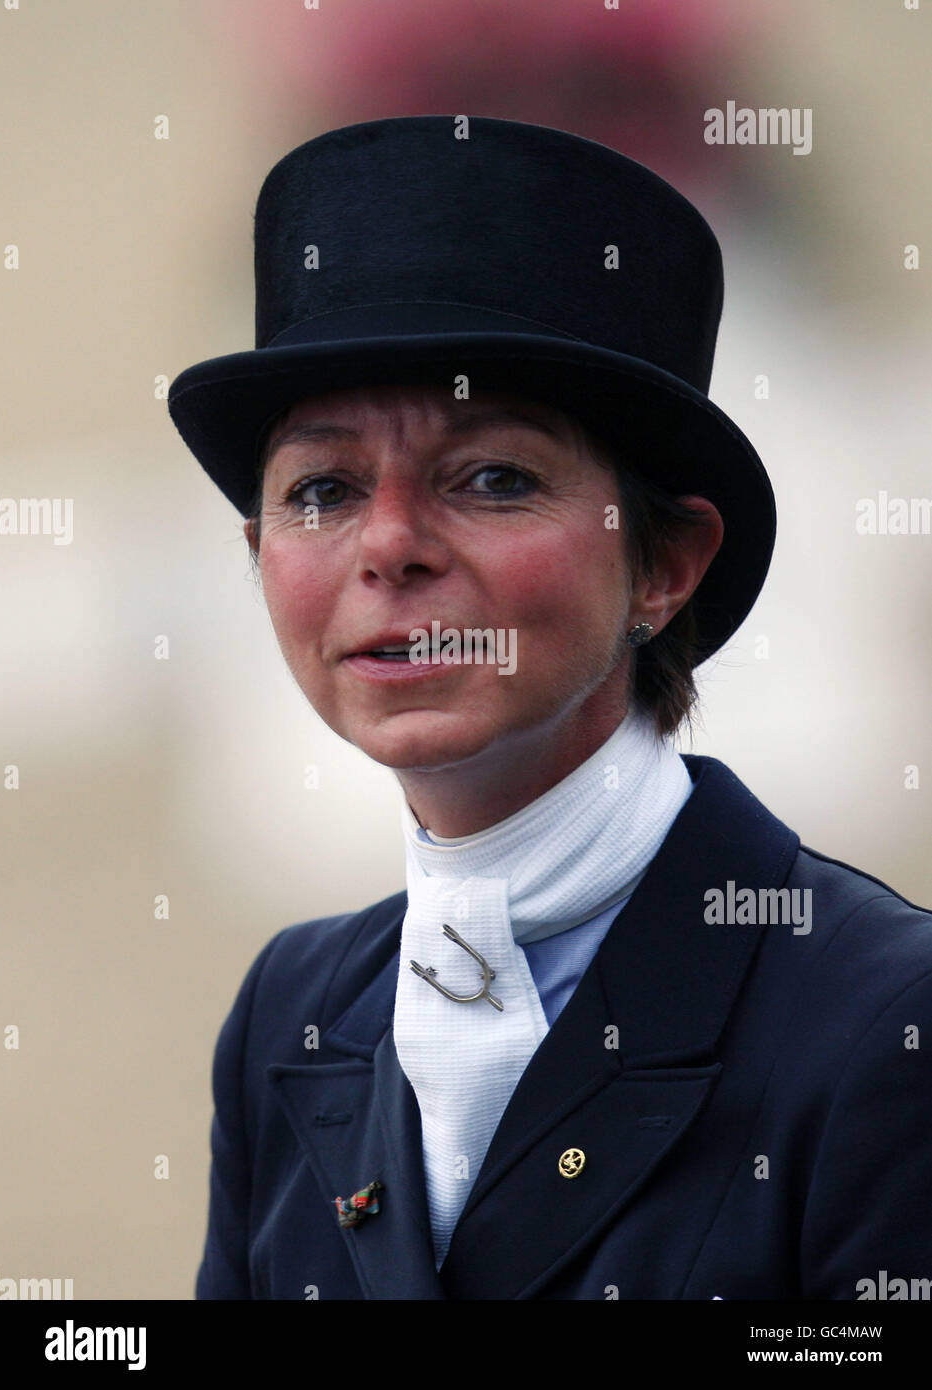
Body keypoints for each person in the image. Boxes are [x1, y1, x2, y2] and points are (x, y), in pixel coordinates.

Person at [168, 115, 932, 1300]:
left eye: (494, 478)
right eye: (321, 489)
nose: (389, 548)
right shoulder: (292, 1013)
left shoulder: (884, 1017)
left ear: (666, 563)